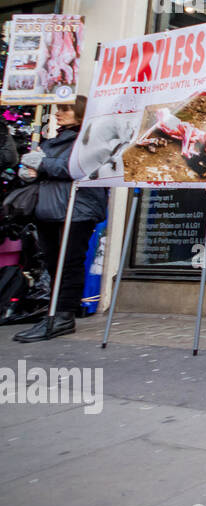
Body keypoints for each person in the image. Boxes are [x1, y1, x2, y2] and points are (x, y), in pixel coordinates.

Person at [12, 96, 108, 343]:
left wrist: (42, 164)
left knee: (69, 263)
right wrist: (30, 171)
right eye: (58, 108)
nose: (59, 113)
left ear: (80, 112)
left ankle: (64, 314)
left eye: (66, 109)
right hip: (49, 208)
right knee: (54, 263)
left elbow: (76, 167)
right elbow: (45, 169)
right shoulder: (55, 140)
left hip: (75, 210)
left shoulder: (89, 139)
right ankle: (55, 311)